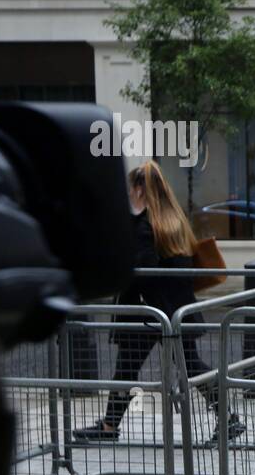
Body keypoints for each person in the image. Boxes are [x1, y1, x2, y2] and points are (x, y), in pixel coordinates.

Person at [73, 161, 244, 444]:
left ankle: (109, 427)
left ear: (141, 190)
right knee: (186, 364)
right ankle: (228, 419)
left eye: (131, 189)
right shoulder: (172, 220)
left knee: (132, 367)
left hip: (148, 312)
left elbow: (140, 269)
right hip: (172, 309)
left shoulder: (145, 227)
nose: (128, 194)